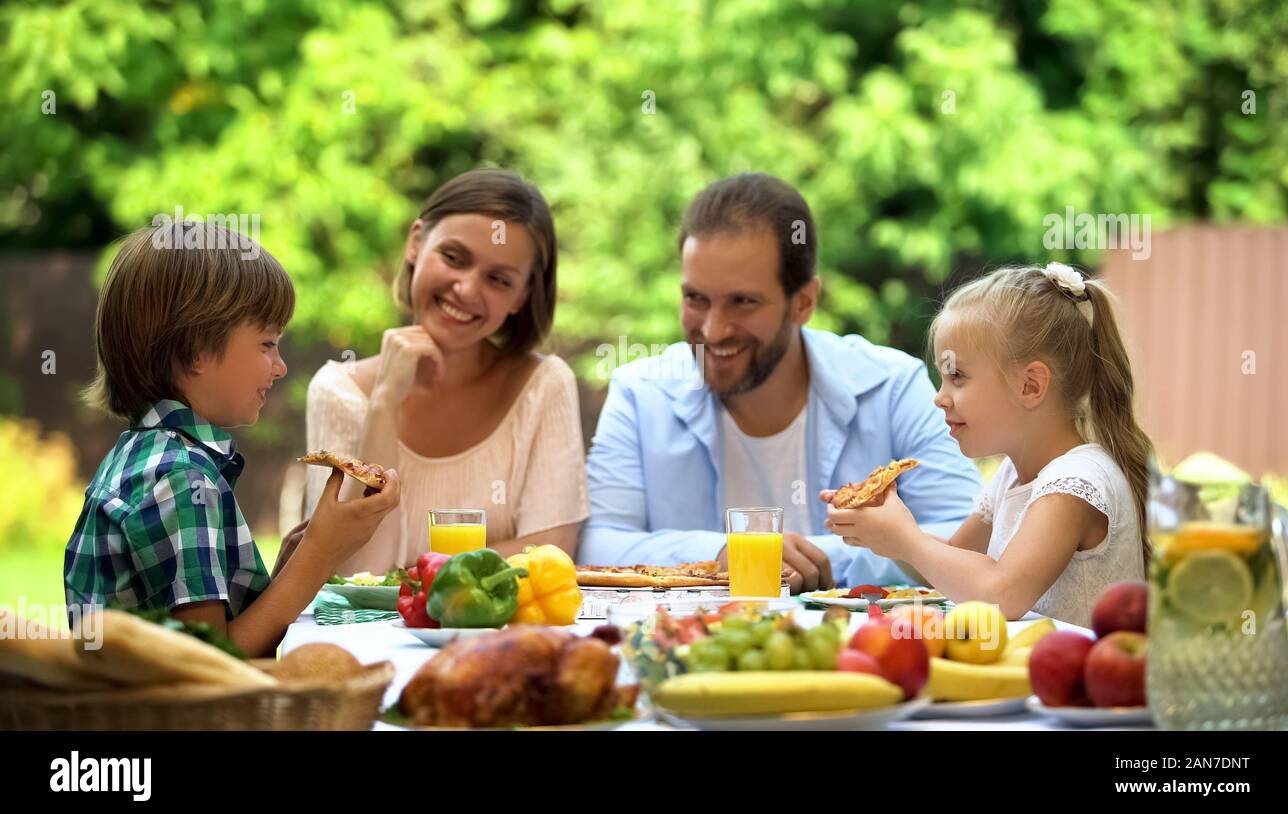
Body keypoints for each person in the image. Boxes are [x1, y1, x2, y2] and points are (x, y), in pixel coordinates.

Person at [580, 173, 982, 593]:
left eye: (743, 302)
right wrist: (723, 554)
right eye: (695, 299)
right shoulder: (640, 392)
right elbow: (598, 543)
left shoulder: (892, 386)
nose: (714, 331)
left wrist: (820, 557)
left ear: (804, 302)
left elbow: (968, 538)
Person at [65, 221, 400, 657]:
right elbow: (212, 665)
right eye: (267, 344)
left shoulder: (145, 454)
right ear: (196, 351)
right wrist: (320, 555)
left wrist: (293, 564)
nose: (279, 367)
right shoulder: (180, 477)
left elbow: (219, 631)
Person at [298, 168, 589, 574]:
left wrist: (417, 574)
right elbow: (356, 570)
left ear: (522, 296)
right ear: (416, 242)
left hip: (500, 633)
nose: (467, 290)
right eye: (454, 258)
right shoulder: (338, 391)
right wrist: (383, 405)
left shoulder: (544, 385)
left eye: (498, 279)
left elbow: (551, 554)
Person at [823, 263, 1150, 624]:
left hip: (1079, 679)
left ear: (1031, 386)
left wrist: (907, 540)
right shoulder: (1013, 474)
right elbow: (951, 560)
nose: (939, 398)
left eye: (957, 377)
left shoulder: (1076, 483)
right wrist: (879, 531)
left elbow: (1000, 593)